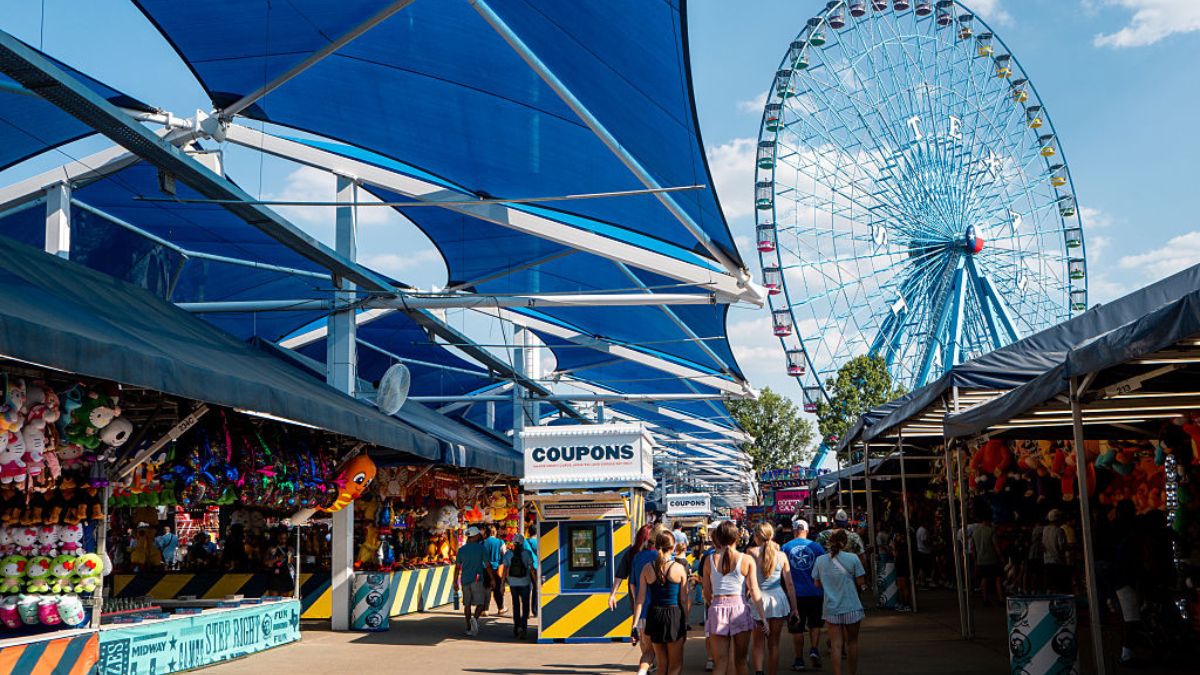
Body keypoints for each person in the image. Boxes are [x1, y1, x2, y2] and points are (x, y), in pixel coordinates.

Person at [703, 521, 769, 675]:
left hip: (717, 609)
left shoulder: (709, 560)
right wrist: (763, 617)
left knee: (720, 663)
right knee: (741, 661)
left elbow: (706, 591)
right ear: (737, 537)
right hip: (739, 609)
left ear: (718, 538)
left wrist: (713, 605)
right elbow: (754, 590)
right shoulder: (746, 559)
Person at [632, 531, 691, 675]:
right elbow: (684, 600)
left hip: (654, 615)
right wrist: (685, 621)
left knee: (661, 664)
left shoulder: (647, 568)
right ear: (673, 547)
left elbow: (640, 599)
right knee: (675, 666)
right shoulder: (679, 569)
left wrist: (634, 624)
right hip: (673, 616)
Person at [812, 529, 867, 675]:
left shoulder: (820, 560)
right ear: (845, 543)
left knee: (835, 645)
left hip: (831, 607)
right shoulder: (853, 558)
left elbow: (816, 584)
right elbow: (861, 581)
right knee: (852, 643)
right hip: (852, 606)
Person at [748, 523, 798, 675]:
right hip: (778, 599)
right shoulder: (781, 555)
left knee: (758, 643)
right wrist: (795, 608)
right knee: (774, 643)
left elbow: (748, 581)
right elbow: (789, 584)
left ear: (756, 536)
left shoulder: (752, 552)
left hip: (758, 599)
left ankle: (759, 672)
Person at [615, 523, 664, 675]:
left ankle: (646, 669)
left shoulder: (636, 557)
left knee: (646, 648)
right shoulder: (661, 557)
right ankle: (652, 667)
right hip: (661, 611)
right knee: (662, 652)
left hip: (642, 611)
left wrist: (636, 611)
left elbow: (633, 587)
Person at [783, 518, 825, 672]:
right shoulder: (817, 547)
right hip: (816, 591)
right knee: (815, 624)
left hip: (795, 594)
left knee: (797, 628)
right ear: (807, 530)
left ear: (794, 530)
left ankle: (799, 660)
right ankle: (814, 649)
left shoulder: (785, 548)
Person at [454, 526, 491, 636]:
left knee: (467, 605)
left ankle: (469, 627)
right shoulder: (481, 549)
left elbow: (457, 567)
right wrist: (492, 579)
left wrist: (455, 582)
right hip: (477, 579)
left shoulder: (461, 550)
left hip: (465, 580)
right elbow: (488, 566)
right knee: (481, 603)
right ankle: (475, 619)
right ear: (475, 536)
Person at [502, 532, 536, 639]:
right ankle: (523, 628)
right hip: (525, 583)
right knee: (525, 606)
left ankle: (516, 628)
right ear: (522, 543)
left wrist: (502, 584)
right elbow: (531, 570)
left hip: (513, 583)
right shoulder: (527, 554)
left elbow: (504, 571)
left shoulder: (508, 554)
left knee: (515, 606)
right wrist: (536, 582)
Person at [1042, 510, 1070, 594]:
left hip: (1047, 561)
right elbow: (1061, 547)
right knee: (1058, 587)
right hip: (1057, 562)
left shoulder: (1045, 530)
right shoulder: (1059, 530)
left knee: (1049, 586)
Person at [482, 524, 506, 617]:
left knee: (486, 589)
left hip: (485, 568)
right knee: (497, 589)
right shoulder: (500, 542)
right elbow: (504, 555)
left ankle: (485, 610)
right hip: (496, 569)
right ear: (495, 532)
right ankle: (500, 608)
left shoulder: (483, 543)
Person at [264, 528, 294, 597]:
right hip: (274, 577)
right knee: (274, 601)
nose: (283, 540)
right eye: (281, 538)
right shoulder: (271, 549)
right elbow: (266, 563)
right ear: (278, 538)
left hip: (286, 576)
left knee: (284, 600)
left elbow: (292, 563)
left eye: (285, 538)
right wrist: (277, 559)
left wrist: (291, 559)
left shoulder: (290, 549)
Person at [891, 531, 912, 611]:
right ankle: (903, 603)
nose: (896, 537)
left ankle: (906, 604)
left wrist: (893, 547)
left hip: (902, 566)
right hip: (901, 566)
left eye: (897, 535)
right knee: (901, 586)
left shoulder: (902, 545)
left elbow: (895, 554)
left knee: (903, 586)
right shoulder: (902, 545)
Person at [915, 522, 933, 589]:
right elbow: (924, 540)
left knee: (921, 568)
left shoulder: (919, 529)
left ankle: (920, 581)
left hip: (920, 550)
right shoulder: (923, 530)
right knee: (924, 568)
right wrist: (930, 545)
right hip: (924, 551)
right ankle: (922, 582)